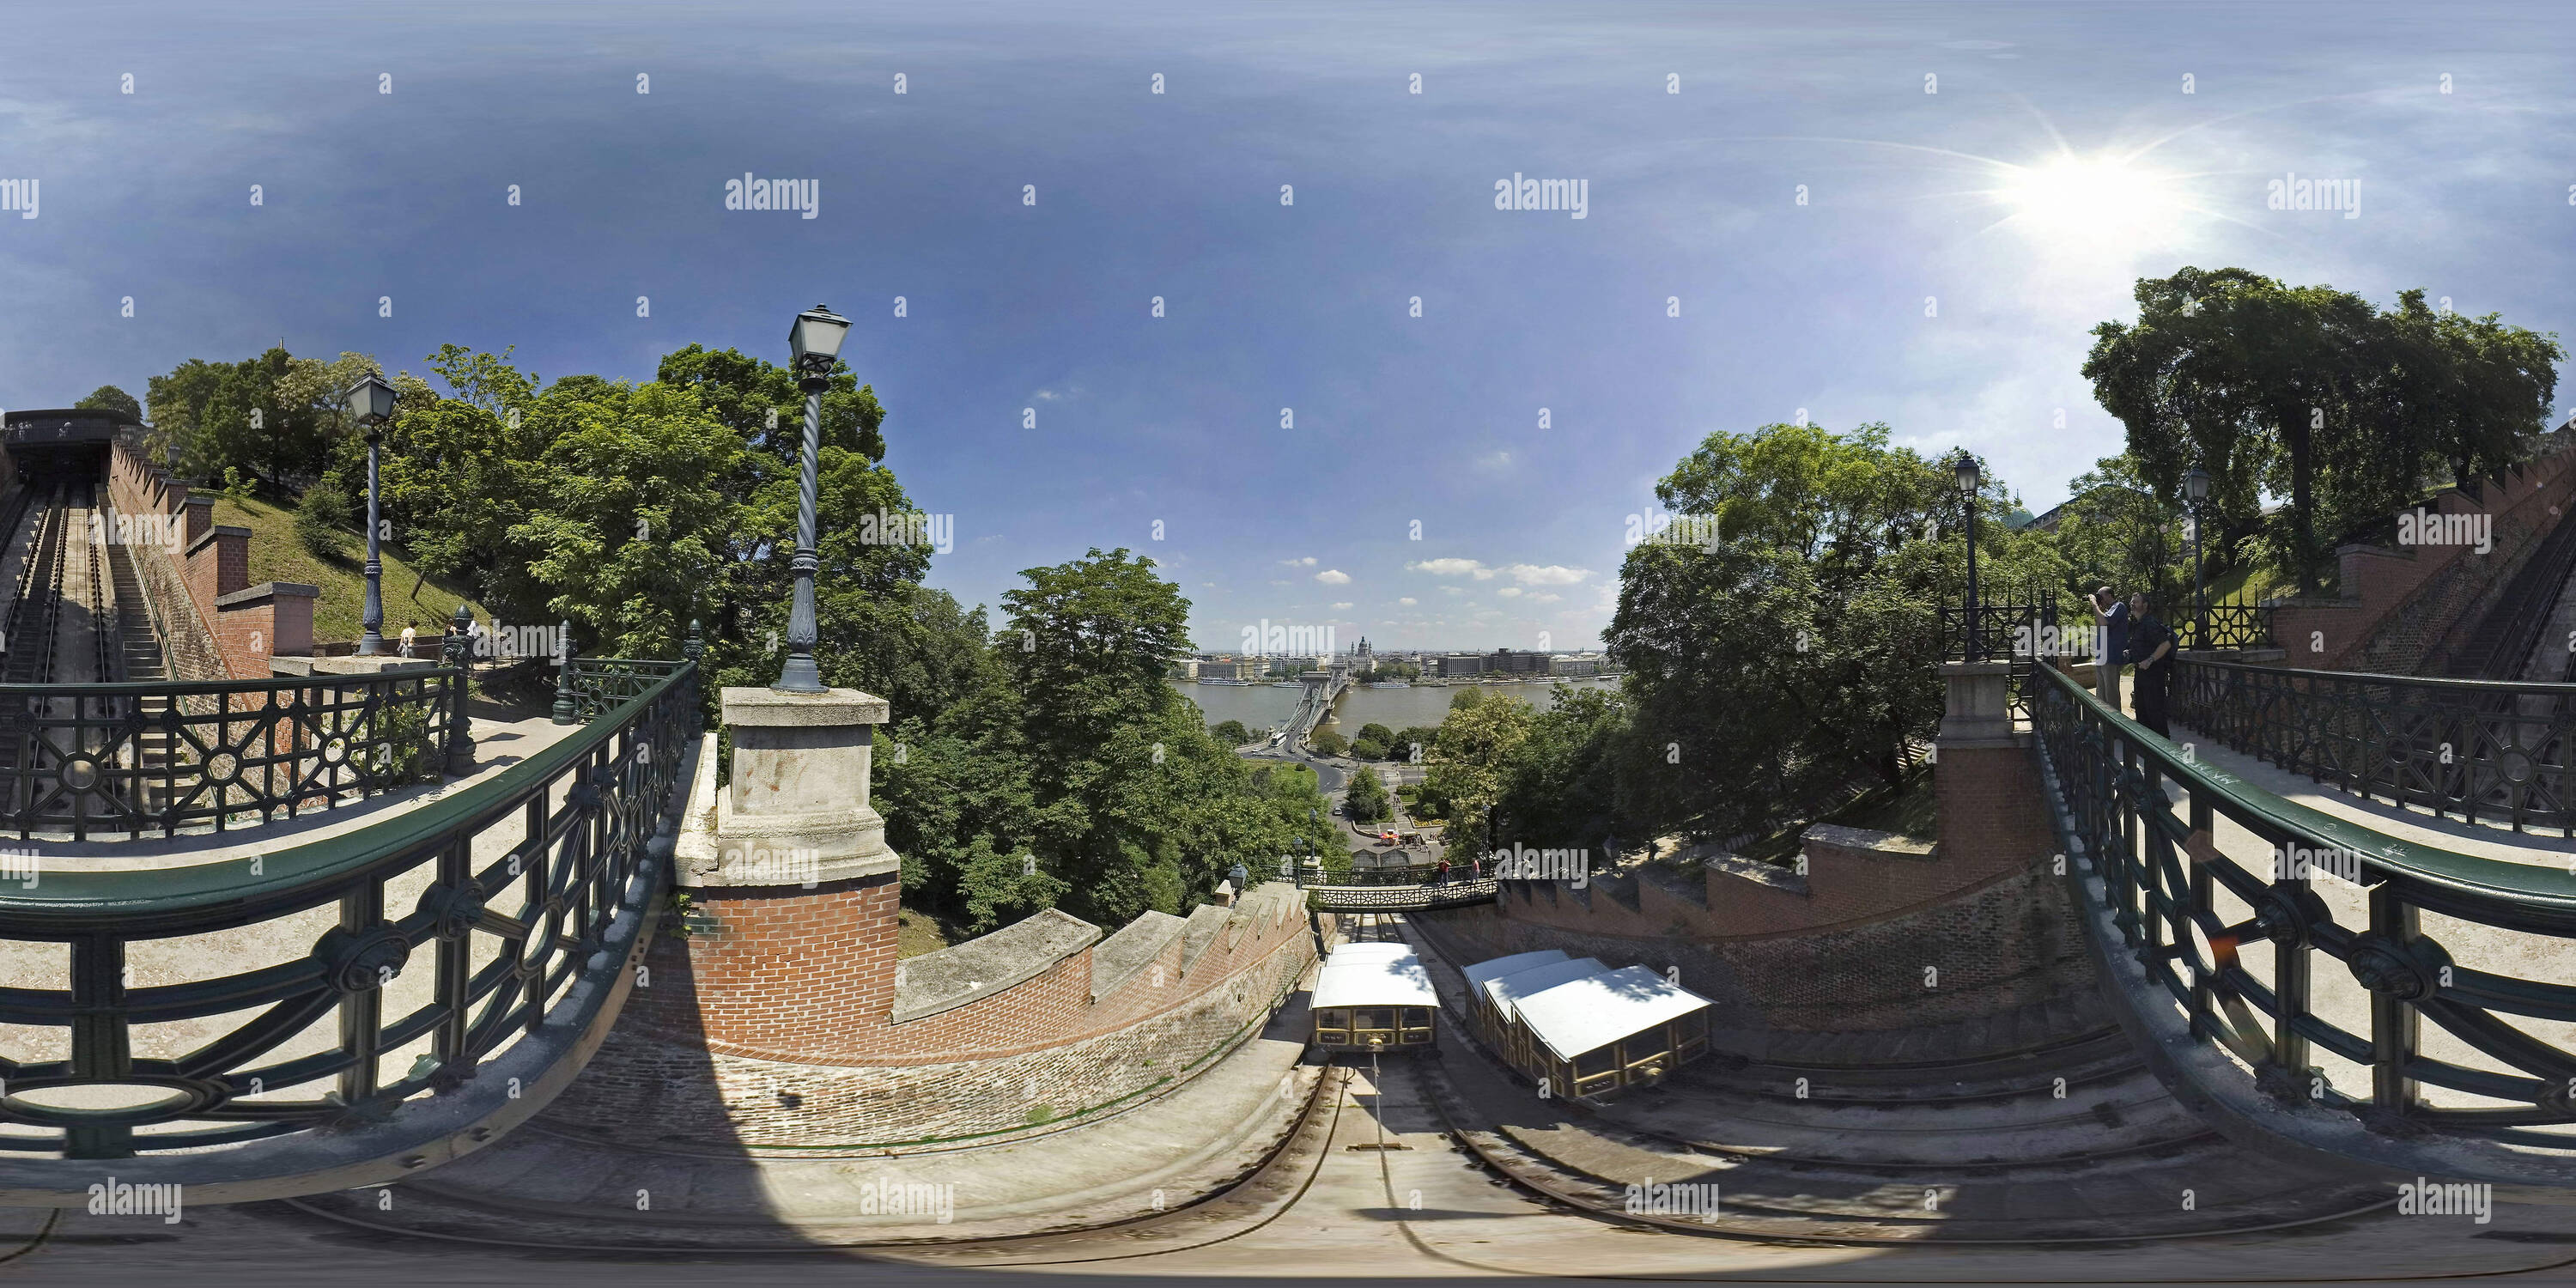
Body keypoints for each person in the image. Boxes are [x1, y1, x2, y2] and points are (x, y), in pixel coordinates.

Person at [2126, 592, 2178, 737]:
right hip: (2141, 675)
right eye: (2131, 602)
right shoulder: (2138, 624)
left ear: (2145, 605)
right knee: (2142, 713)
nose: (2132, 604)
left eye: (2136, 602)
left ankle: (2164, 751)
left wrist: (2150, 660)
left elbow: (2166, 644)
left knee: (2155, 714)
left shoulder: (2149, 623)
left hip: (2153, 676)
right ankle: (2149, 748)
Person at [2091, 586, 2129, 708]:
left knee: (2111, 694)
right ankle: (2103, 725)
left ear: (2109, 596)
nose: (2098, 599)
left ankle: (2114, 725)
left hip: (2111, 656)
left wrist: (2095, 606)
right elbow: (2100, 627)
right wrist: (2099, 609)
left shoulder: (2119, 606)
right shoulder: (2107, 611)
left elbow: (2105, 622)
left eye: (2100, 596)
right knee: (2101, 694)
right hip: (2102, 656)